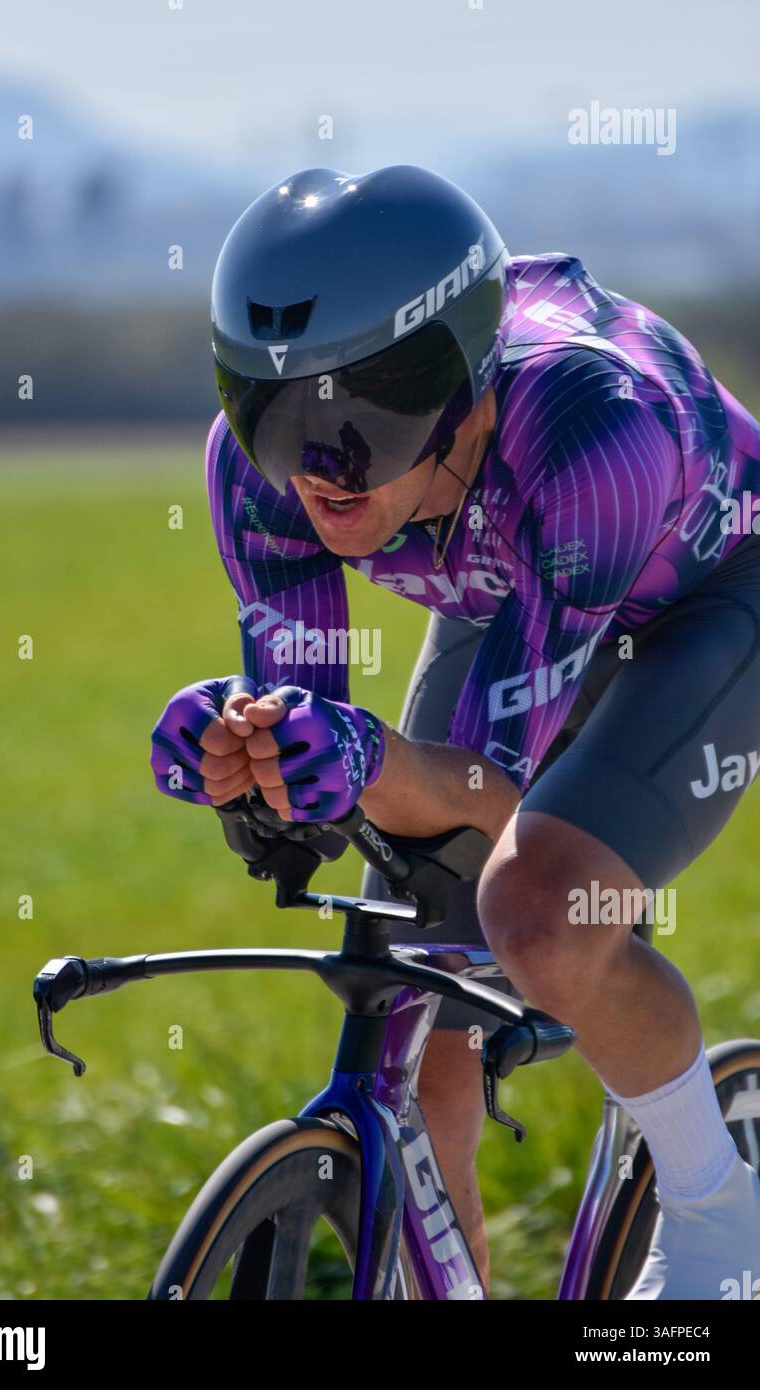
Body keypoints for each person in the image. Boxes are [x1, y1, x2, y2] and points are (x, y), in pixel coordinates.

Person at [151, 164, 760, 1299]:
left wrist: (370, 764)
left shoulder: (591, 429)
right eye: (275, 415)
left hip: (706, 602)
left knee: (535, 908)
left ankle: (719, 1209)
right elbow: (317, 758)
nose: (319, 473)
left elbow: (493, 792)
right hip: (517, 594)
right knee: (418, 985)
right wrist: (245, 760)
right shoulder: (258, 480)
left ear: (468, 378)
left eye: (365, 423)